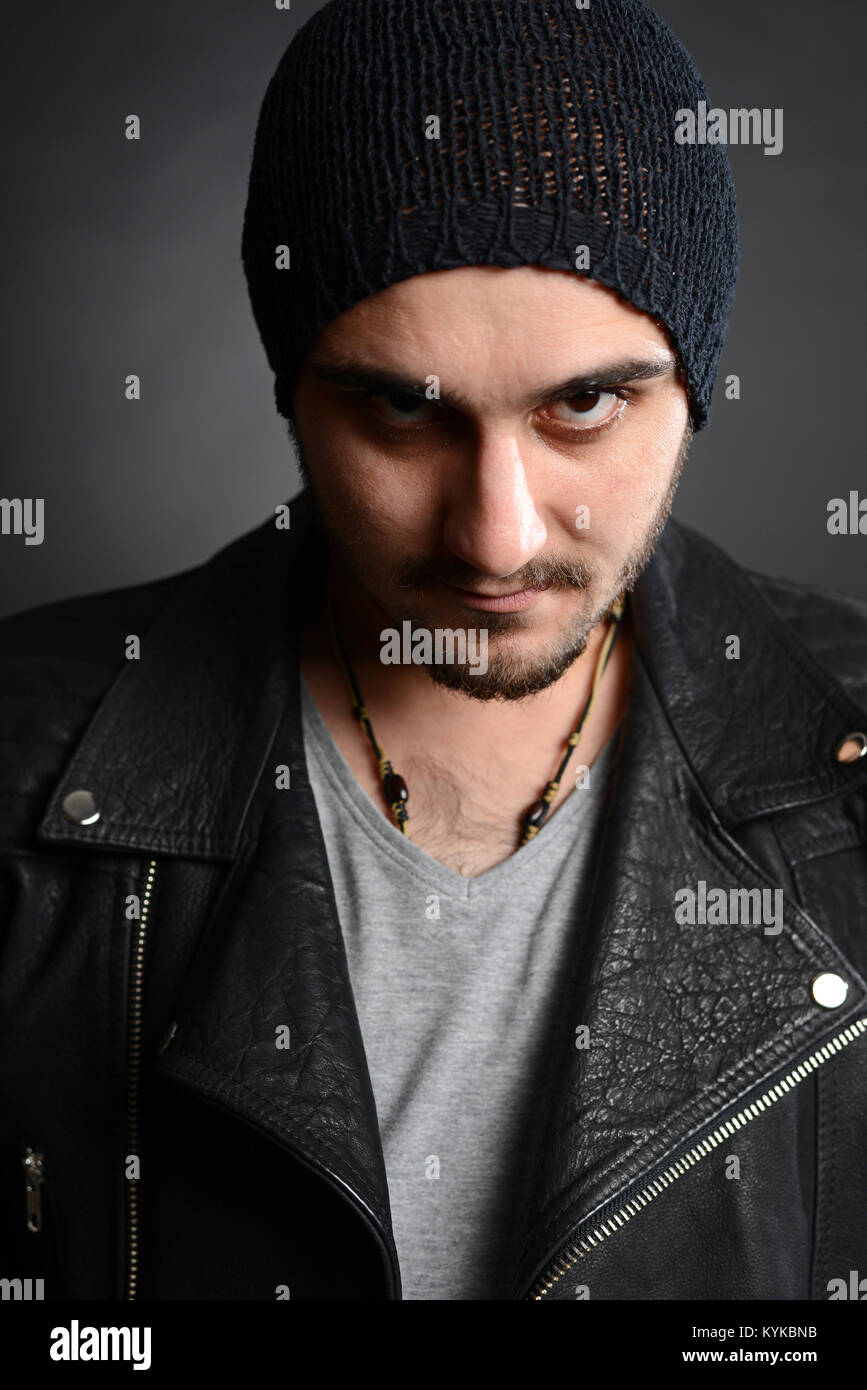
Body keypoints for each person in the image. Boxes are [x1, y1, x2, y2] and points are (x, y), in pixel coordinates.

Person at [2, 0, 866, 1303]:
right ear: (290, 383)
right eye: (402, 407)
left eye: (585, 402)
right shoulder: (20, 774)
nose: (495, 536)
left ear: (695, 381)